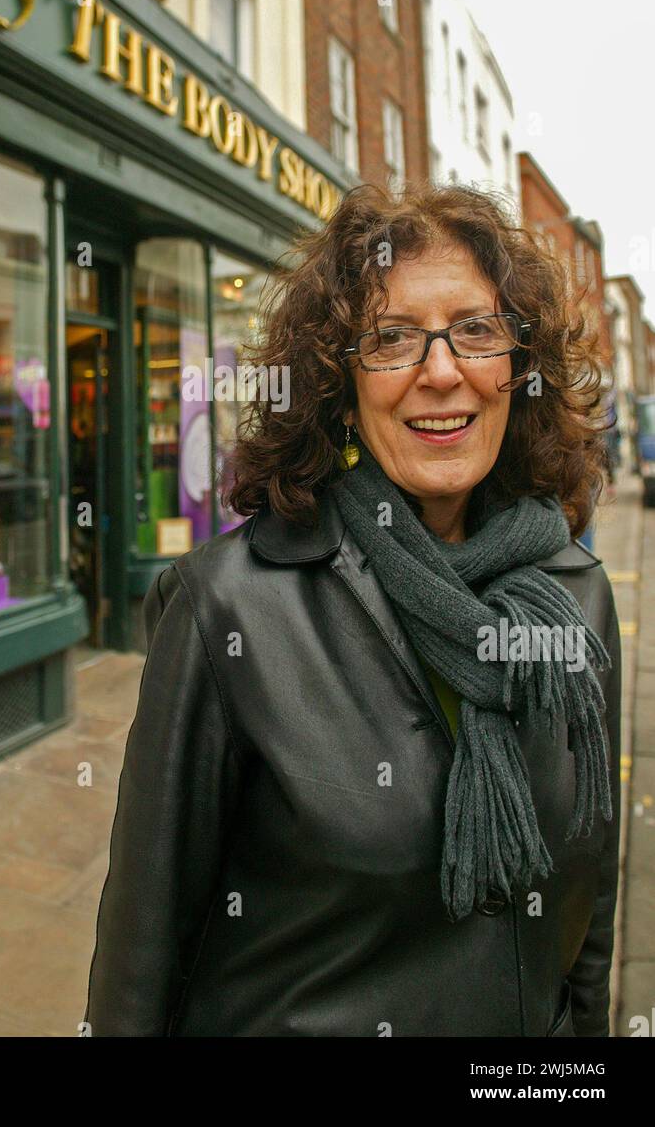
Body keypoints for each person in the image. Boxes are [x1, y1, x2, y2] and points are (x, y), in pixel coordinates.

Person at [83, 183, 621, 1038]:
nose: (439, 370)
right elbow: (140, 961)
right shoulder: (229, 607)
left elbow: (589, 893)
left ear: (517, 369)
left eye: (475, 330)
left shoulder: (575, 593)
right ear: (338, 384)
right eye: (392, 338)